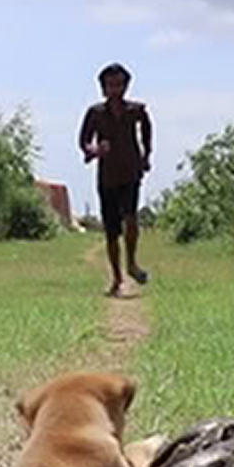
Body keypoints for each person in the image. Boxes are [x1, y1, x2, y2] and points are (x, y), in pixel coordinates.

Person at [79, 63, 152, 296]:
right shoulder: (95, 113)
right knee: (111, 231)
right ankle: (117, 278)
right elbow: (83, 141)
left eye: (119, 84)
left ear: (126, 86)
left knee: (131, 219)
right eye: (110, 85)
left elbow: (147, 129)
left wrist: (146, 155)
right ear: (103, 88)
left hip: (130, 172)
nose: (115, 89)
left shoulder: (136, 111)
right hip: (107, 178)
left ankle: (131, 263)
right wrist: (94, 150)